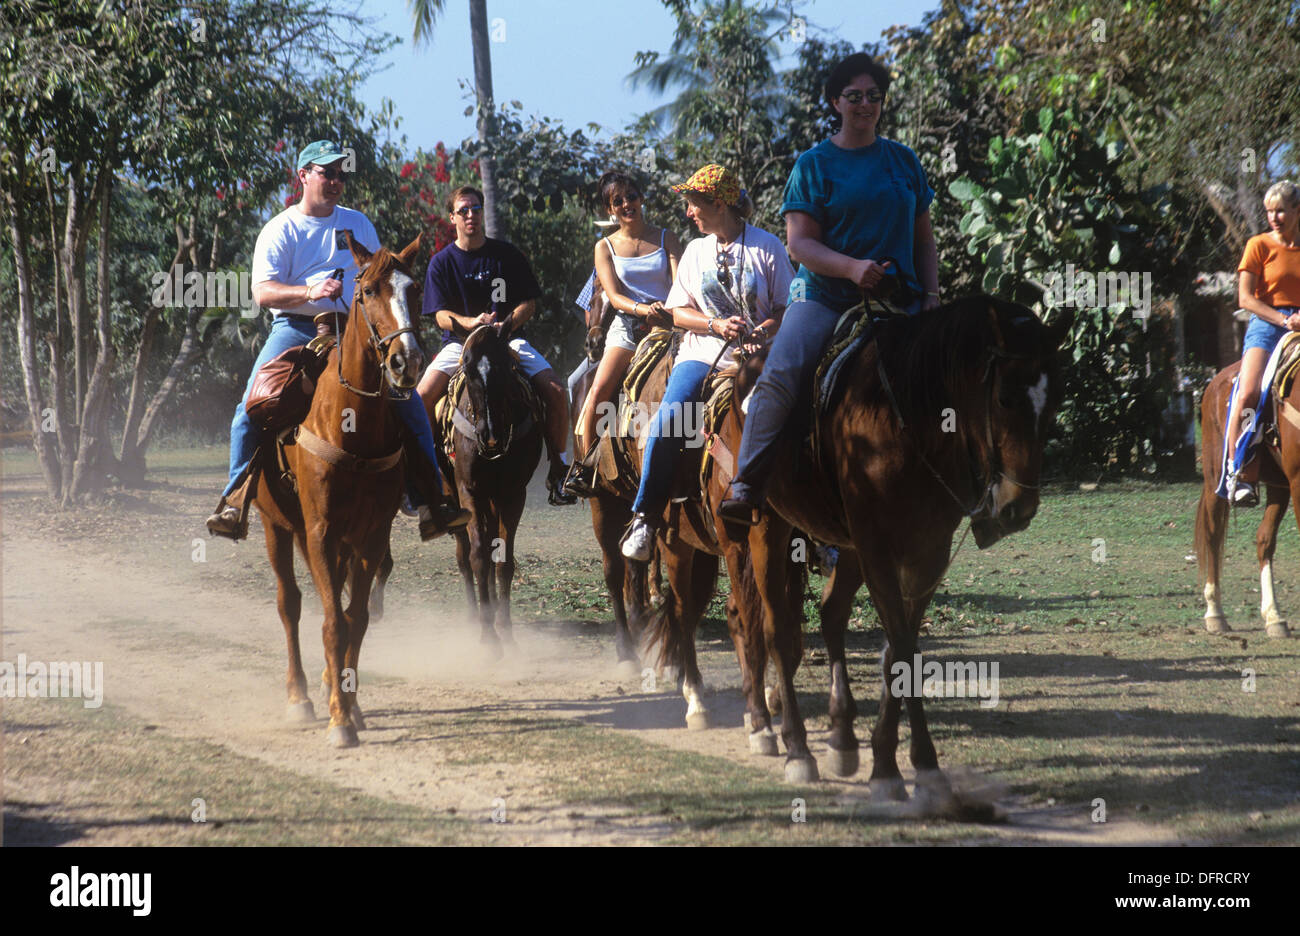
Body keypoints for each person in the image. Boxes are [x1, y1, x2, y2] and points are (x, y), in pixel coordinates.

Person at [206, 139, 468, 541]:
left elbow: (379, 277)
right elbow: (262, 293)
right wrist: (309, 293)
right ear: (304, 175)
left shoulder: (358, 223)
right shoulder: (281, 228)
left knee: (409, 402)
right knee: (249, 407)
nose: (335, 180)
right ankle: (235, 500)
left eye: (340, 174)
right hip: (295, 329)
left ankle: (430, 501)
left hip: (354, 333)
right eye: (327, 172)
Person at [719, 52, 940, 528]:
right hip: (823, 297)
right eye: (854, 96)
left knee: (956, 372)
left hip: (898, 300)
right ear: (835, 102)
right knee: (780, 371)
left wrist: (933, 297)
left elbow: (925, 240)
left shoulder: (904, 161)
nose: (865, 105)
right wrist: (853, 268)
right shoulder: (814, 164)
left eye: (874, 97)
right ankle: (747, 482)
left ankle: (974, 489)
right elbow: (799, 245)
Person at [620, 164, 794, 561]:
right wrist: (716, 325)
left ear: (719, 203)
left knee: (807, 418)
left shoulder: (767, 247)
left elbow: (788, 308)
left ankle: (816, 526)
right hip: (700, 355)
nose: (688, 213)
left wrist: (762, 332)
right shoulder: (696, 251)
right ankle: (646, 515)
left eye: (694, 204)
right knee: (668, 421)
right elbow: (678, 314)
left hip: (761, 360)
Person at [417, 185, 577, 505]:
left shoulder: (507, 255)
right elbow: (439, 316)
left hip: (508, 341)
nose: (471, 215)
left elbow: (528, 304)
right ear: (452, 217)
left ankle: (559, 470)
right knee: (420, 398)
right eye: (463, 210)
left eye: (476, 208)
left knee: (557, 391)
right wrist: (469, 323)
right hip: (460, 345)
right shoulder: (441, 262)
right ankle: (428, 475)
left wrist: (507, 324)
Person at [565, 171, 683, 496]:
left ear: (641, 198)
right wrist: (645, 310)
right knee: (598, 390)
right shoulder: (604, 247)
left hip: (670, 326)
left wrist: (669, 312)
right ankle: (585, 467)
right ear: (610, 210)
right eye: (618, 201)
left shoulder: (666, 238)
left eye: (631, 196)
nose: (627, 204)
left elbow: (680, 284)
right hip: (627, 329)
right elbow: (614, 296)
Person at [1225, 180, 1300, 506]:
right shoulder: (1258, 245)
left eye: (1281, 210)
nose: (1275, 217)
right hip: (1268, 325)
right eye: (1270, 211)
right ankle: (1239, 470)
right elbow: (1245, 298)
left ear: (1297, 211)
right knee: (1250, 391)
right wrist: (1284, 320)